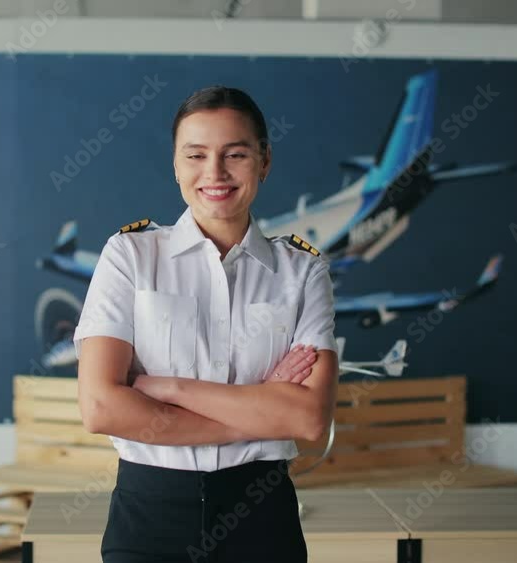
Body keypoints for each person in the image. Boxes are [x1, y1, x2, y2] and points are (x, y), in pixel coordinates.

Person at [74, 85, 339, 563]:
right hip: (148, 517)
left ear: (264, 161)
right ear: (176, 165)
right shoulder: (130, 256)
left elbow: (308, 419)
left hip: (263, 519)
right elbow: (100, 408)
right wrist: (258, 413)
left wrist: (169, 389)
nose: (214, 172)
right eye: (196, 155)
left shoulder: (302, 271)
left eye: (235, 154)